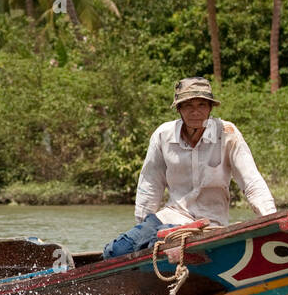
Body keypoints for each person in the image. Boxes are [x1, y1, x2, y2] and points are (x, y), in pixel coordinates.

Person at [102, 77, 277, 259]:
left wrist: (271, 220)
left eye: (202, 105)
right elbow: (150, 184)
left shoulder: (226, 134)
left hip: (208, 225)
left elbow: (252, 182)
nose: (195, 112)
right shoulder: (164, 135)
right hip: (169, 218)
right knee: (116, 252)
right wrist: (142, 230)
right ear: (179, 109)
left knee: (167, 240)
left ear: (210, 108)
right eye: (188, 106)